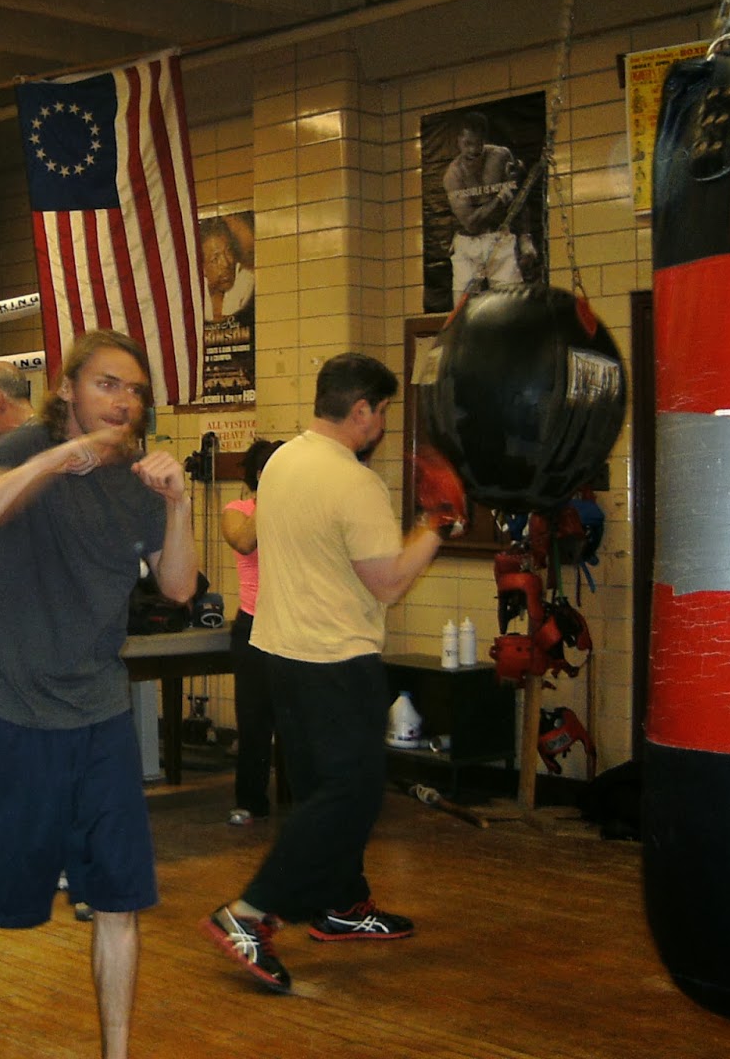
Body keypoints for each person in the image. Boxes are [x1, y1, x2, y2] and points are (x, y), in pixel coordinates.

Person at [0, 329, 197, 1059]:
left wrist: (178, 504)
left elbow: (178, 586)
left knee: (119, 900)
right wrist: (52, 461)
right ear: (68, 388)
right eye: (108, 384)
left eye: (135, 391)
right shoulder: (21, 447)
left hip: (101, 714)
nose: (124, 402)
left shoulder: (135, 481)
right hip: (13, 709)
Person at [199, 352, 464, 995]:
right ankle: (249, 914)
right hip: (332, 662)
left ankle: (342, 904)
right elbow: (390, 583)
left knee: (324, 791)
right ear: (362, 409)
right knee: (351, 793)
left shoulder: (283, 461)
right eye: (381, 412)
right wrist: (439, 523)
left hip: (280, 656)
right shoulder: (353, 482)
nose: (382, 425)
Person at [221, 437, 283, 827]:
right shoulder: (238, 509)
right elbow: (244, 541)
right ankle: (251, 799)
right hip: (254, 623)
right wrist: (269, 494)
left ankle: (301, 798)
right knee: (255, 720)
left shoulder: (296, 510)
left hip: (294, 623)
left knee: (298, 718)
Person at [441, 111, 540, 300]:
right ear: (458, 140)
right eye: (467, 144)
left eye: (477, 144)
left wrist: (525, 237)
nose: (472, 150)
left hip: (500, 236)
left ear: (484, 139)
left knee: (511, 306)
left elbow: (520, 199)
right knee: (464, 313)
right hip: (468, 244)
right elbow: (471, 222)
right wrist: (499, 200)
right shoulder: (453, 175)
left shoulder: (500, 156)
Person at [200, 214, 255, 323]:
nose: (226, 263)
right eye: (215, 259)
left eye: (228, 251)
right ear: (203, 268)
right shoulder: (196, 294)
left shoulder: (246, 281)